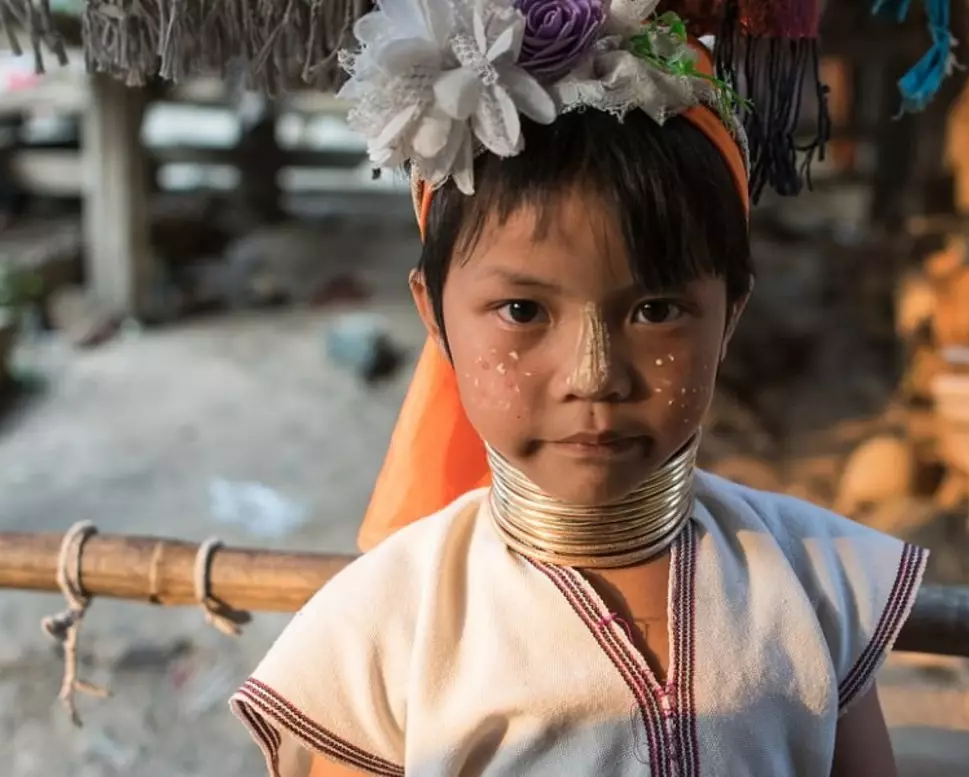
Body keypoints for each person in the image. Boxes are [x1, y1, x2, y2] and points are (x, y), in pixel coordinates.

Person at [230, 0, 931, 774]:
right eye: (523, 311)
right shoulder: (382, 634)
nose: (596, 373)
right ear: (434, 315)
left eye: (656, 309)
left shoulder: (816, 581)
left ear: (730, 313)